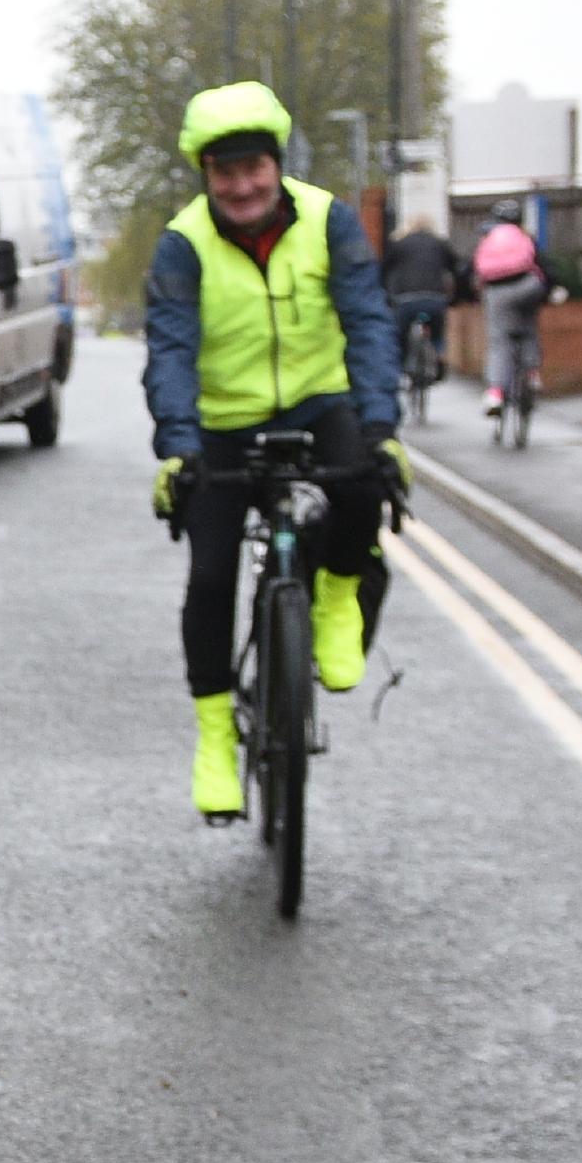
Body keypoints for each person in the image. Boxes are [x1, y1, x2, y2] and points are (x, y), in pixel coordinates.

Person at [143, 82, 403, 820]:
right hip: (224, 424)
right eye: (225, 172)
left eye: (253, 167)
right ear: (206, 174)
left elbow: (369, 323)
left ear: (275, 164)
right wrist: (179, 448)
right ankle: (215, 738)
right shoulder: (182, 243)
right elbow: (170, 350)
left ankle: (336, 597)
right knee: (211, 575)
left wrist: (381, 427)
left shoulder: (328, 221)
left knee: (361, 490)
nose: (242, 185)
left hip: (321, 405)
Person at [472, 200, 554, 419]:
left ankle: (496, 393)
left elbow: (473, 271)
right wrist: (548, 293)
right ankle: (532, 374)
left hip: (497, 293)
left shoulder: (488, 237)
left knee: (500, 341)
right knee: (528, 329)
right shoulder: (525, 237)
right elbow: (546, 268)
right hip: (528, 287)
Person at [381, 211, 457, 389]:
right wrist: (455, 297)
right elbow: (456, 268)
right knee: (438, 333)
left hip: (405, 300)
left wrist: (385, 295)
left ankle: (401, 371)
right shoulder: (440, 244)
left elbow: (384, 270)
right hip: (435, 298)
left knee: (400, 336)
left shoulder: (398, 244)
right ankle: (439, 354)